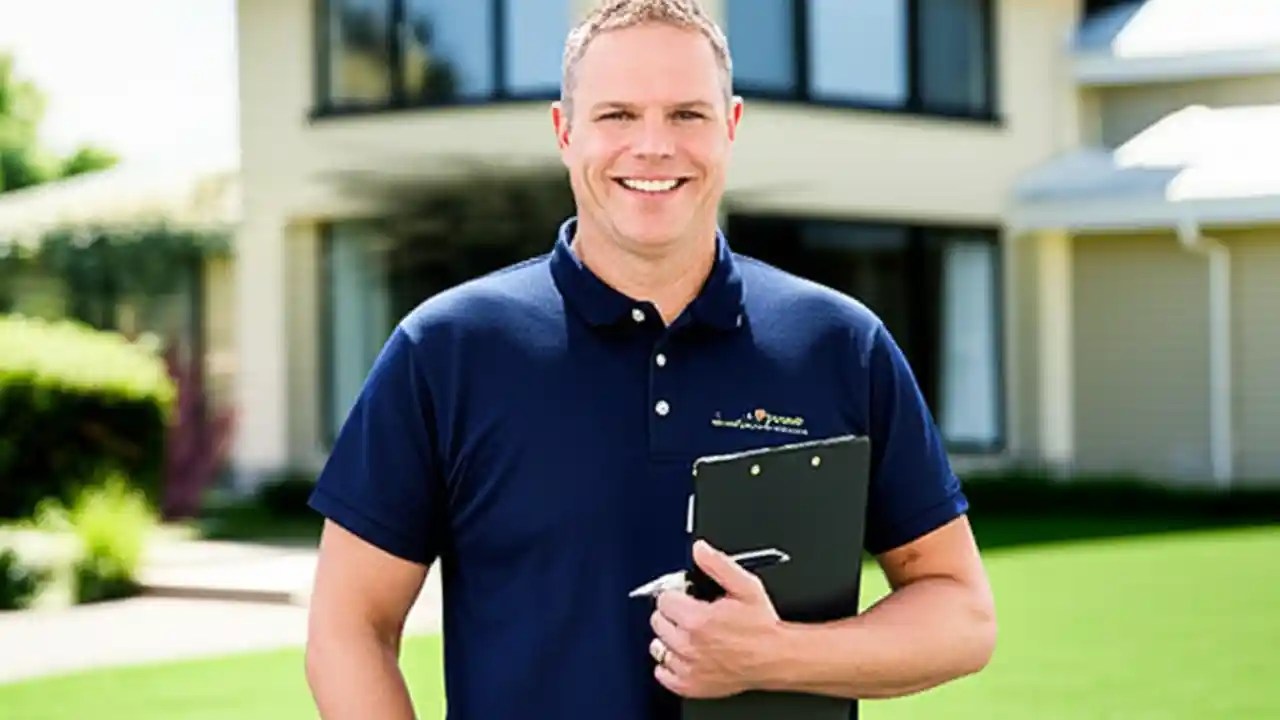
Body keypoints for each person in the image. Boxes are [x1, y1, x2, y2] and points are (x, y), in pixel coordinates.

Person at [302, 0, 997, 717]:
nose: (654, 146)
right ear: (564, 131)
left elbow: (961, 615)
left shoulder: (840, 344)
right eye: (617, 116)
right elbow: (348, 627)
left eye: (687, 115)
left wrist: (775, 654)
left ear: (730, 127)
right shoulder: (447, 350)